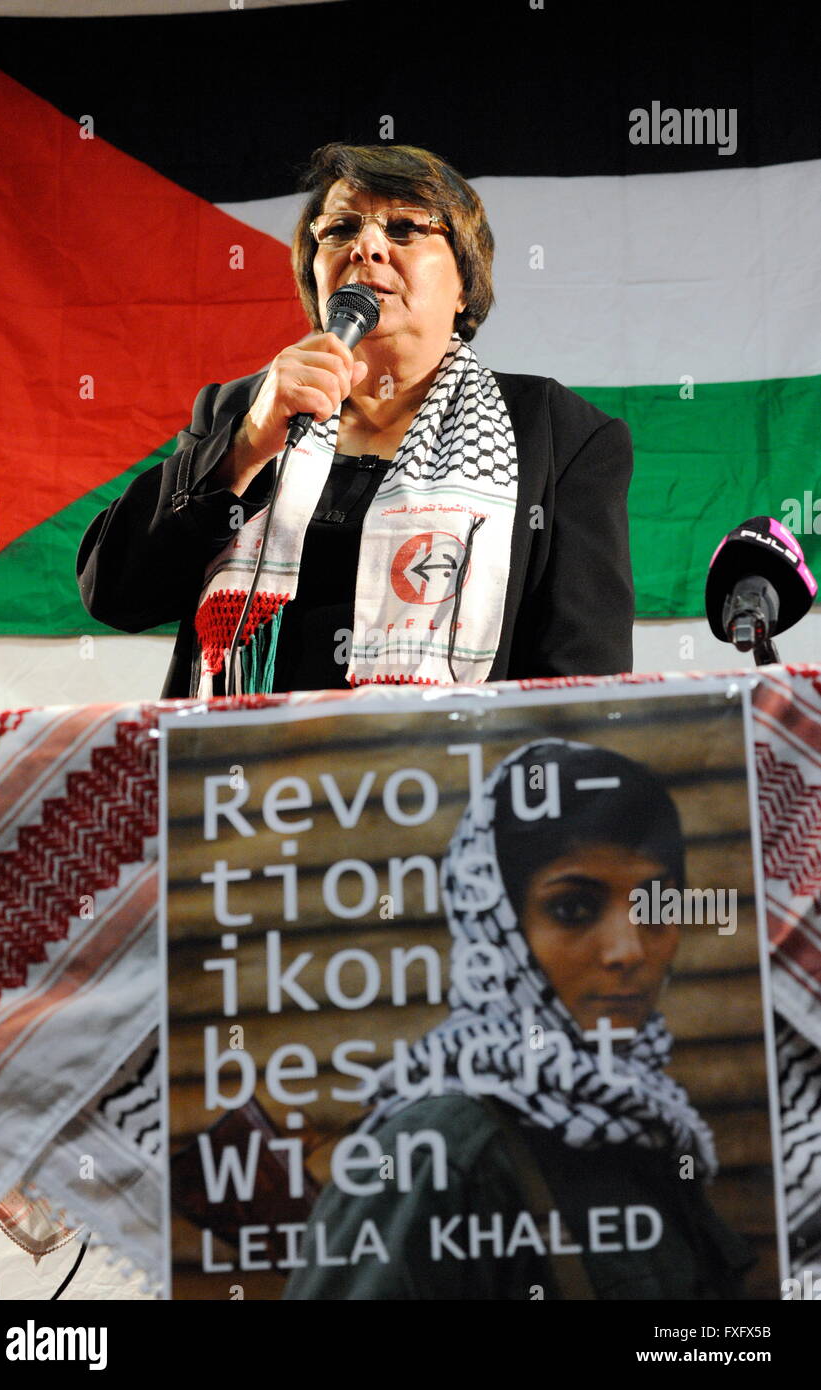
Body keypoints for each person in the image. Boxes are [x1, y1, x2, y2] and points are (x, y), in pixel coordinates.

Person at [76, 144, 635, 697]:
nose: (366, 247)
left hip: (453, 776)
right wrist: (245, 446)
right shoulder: (241, 410)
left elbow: (585, 682)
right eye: (341, 228)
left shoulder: (556, 434)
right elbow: (114, 593)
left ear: (465, 281)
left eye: (405, 228)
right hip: (244, 775)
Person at [282, 739, 754, 1300]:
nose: (628, 950)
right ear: (495, 925)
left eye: (655, 906)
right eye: (573, 909)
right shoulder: (437, 1150)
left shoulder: (647, 1116)